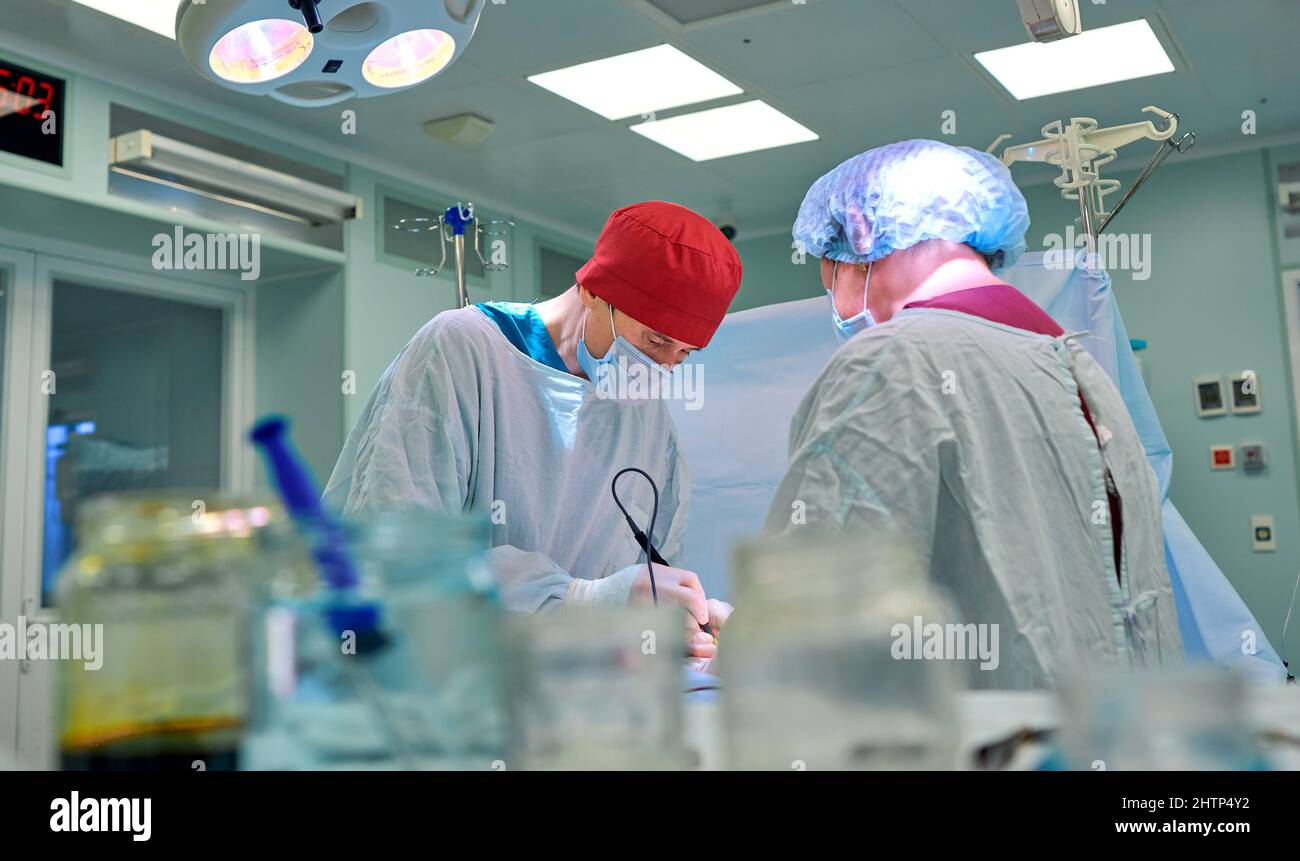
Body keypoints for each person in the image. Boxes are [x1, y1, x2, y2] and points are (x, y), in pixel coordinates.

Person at [766, 140, 1182, 686]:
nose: (840, 309)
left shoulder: (889, 362)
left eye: (831, 281)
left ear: (861, 241)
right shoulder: (1077, 365)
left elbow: (810, 624)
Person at [325, 201, 740, 656]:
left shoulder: (642, 409)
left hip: (578, 690)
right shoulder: (464, 351)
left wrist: (681, 617)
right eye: (656, 340)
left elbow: (649, 570)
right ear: (593, 292)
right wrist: (582, 601)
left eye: (682, 354)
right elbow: (399, 556)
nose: (661, 367)